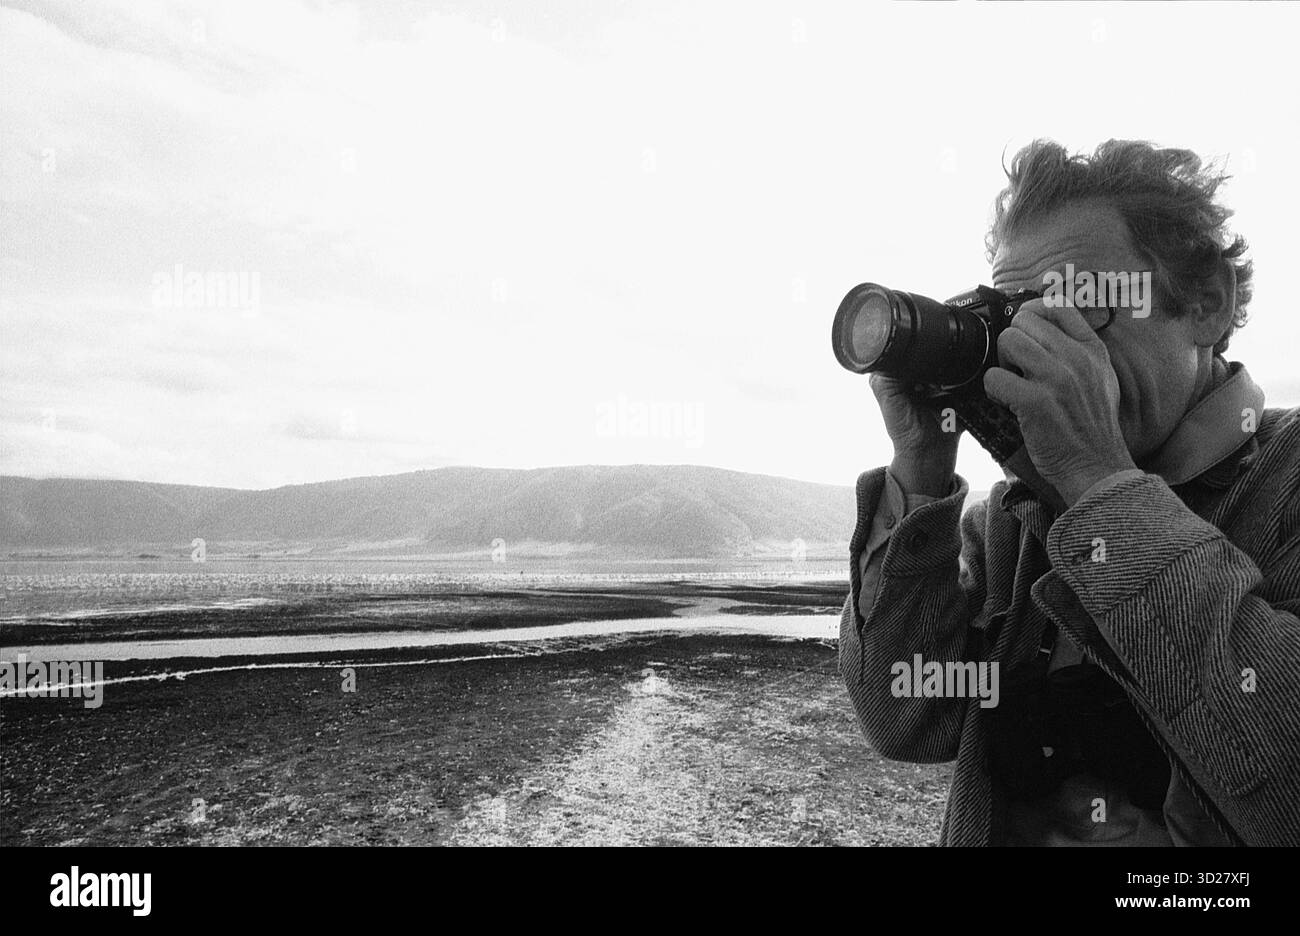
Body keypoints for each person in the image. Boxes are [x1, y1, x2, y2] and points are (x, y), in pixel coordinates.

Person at [839, 139, 1300, 846]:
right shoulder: (1016, 521)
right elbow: (905, 714)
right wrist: (919, 467)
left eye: (1078, 309)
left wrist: (1096, 480)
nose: (1048, 351)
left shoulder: (1288, 475)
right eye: (1021, 322)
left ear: (1206, 304)